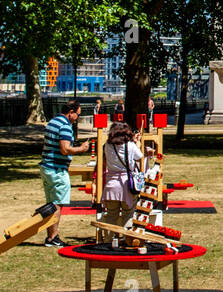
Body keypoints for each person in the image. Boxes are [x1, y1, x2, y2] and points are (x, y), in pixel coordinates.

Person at [39, 101, 90, 246]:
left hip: (47, 167)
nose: (77, 118)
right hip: (57, 169)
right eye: (77, 115)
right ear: (71, 112)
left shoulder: (53, 122)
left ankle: (51, 236)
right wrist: (81, 148)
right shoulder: (65, 126)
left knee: (51, 203)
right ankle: (53, 237)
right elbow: (65, 149)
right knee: (57, 204)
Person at [97, 122, 144, 240]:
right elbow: (139, 156)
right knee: (128, 214)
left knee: (111, 215)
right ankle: (127, 239)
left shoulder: (107, 145)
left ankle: (108, 241)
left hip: (111, 184)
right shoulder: (130, 145)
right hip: (126, 185)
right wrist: (137, 143)